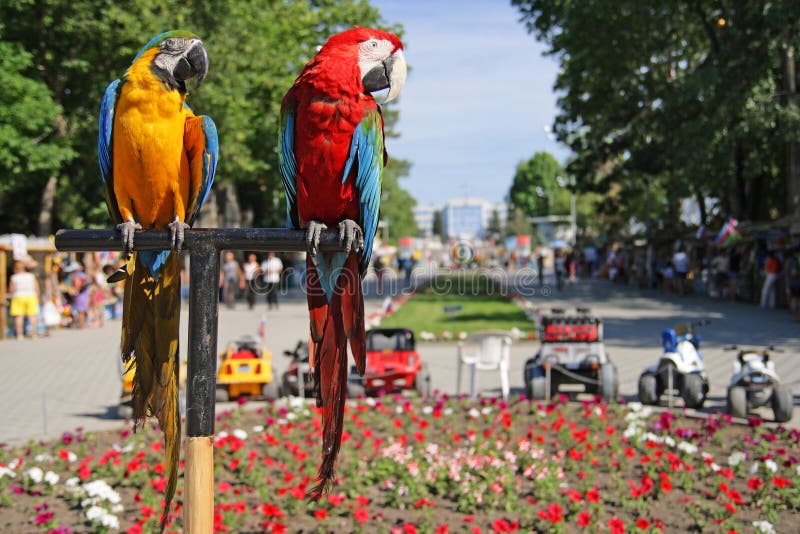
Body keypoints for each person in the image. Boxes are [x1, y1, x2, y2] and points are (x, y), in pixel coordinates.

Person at [8, 261, 40, 339]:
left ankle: (19, 335)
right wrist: (38, 297)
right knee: (32, 315)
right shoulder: (31, 276)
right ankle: (34, 334)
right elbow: (36, 287)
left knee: (19, 316)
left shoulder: (14, 277)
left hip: (18, 296)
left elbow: (11, 289)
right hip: (31, 296)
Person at [786, 248, 800, 321]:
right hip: (796, 283)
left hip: (791, 283)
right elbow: (793, 273)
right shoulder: (795, 261)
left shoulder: (788, 261)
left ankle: (794, 316)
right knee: (796, 300)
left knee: (793, 299)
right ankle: (796, 316)